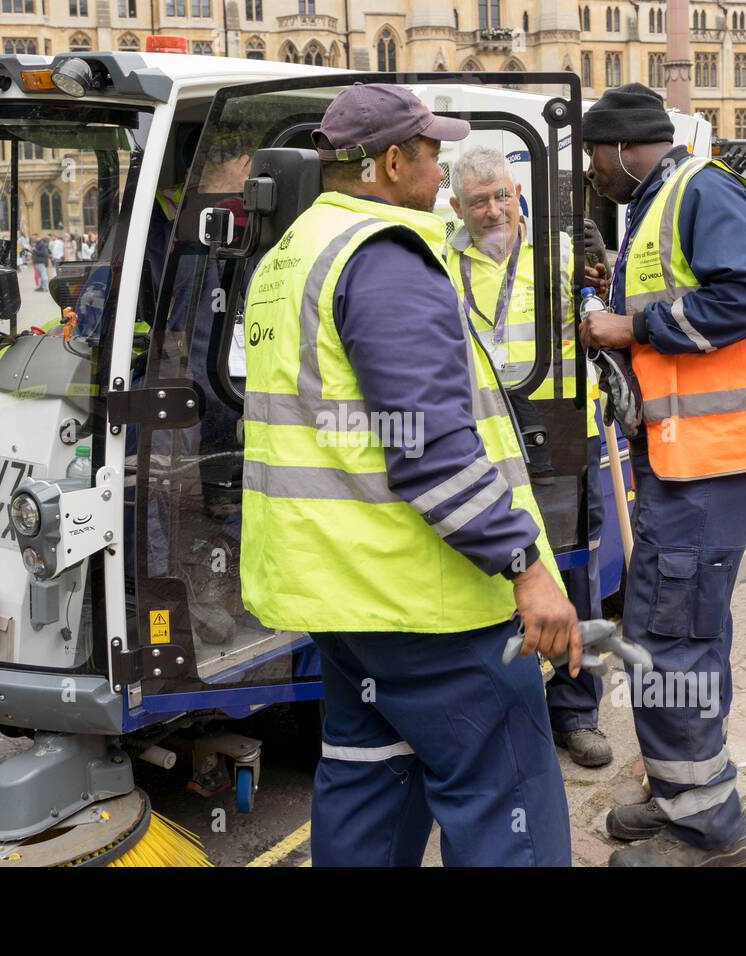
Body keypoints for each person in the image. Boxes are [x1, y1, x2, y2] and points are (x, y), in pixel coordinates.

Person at [240, 82, 580, 867]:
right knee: (506, 802)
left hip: (345, 604)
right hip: (432, 606)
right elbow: (430, 451)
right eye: (432, 155)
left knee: (369, 787)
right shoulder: (386, 257)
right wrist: (524, 565)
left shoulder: (290, 256)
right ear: (392, 163)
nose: (441, 174)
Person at [579, 84, 746, 866]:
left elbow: (745, 295)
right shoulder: (658, 202)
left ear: (619, 148)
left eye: (591, 156)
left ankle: (708, 834)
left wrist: (627, 324)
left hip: (715, 457)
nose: (590, 173)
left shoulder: (698, 188)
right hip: (688, 457)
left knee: (670, 637)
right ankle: (684, 792)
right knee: (679, 630)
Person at [443, 146, 612, 769]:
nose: (492, 211)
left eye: (500, 197)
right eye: (477, 202)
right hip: (482, 440)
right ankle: (503, 712)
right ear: (457, 206)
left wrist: (602, 287)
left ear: (517, 193)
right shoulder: (438, 260)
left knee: (571, 573)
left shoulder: (560, 255)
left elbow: (594, 318)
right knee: (494, 573)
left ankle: (577, 712)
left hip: (560, 436)